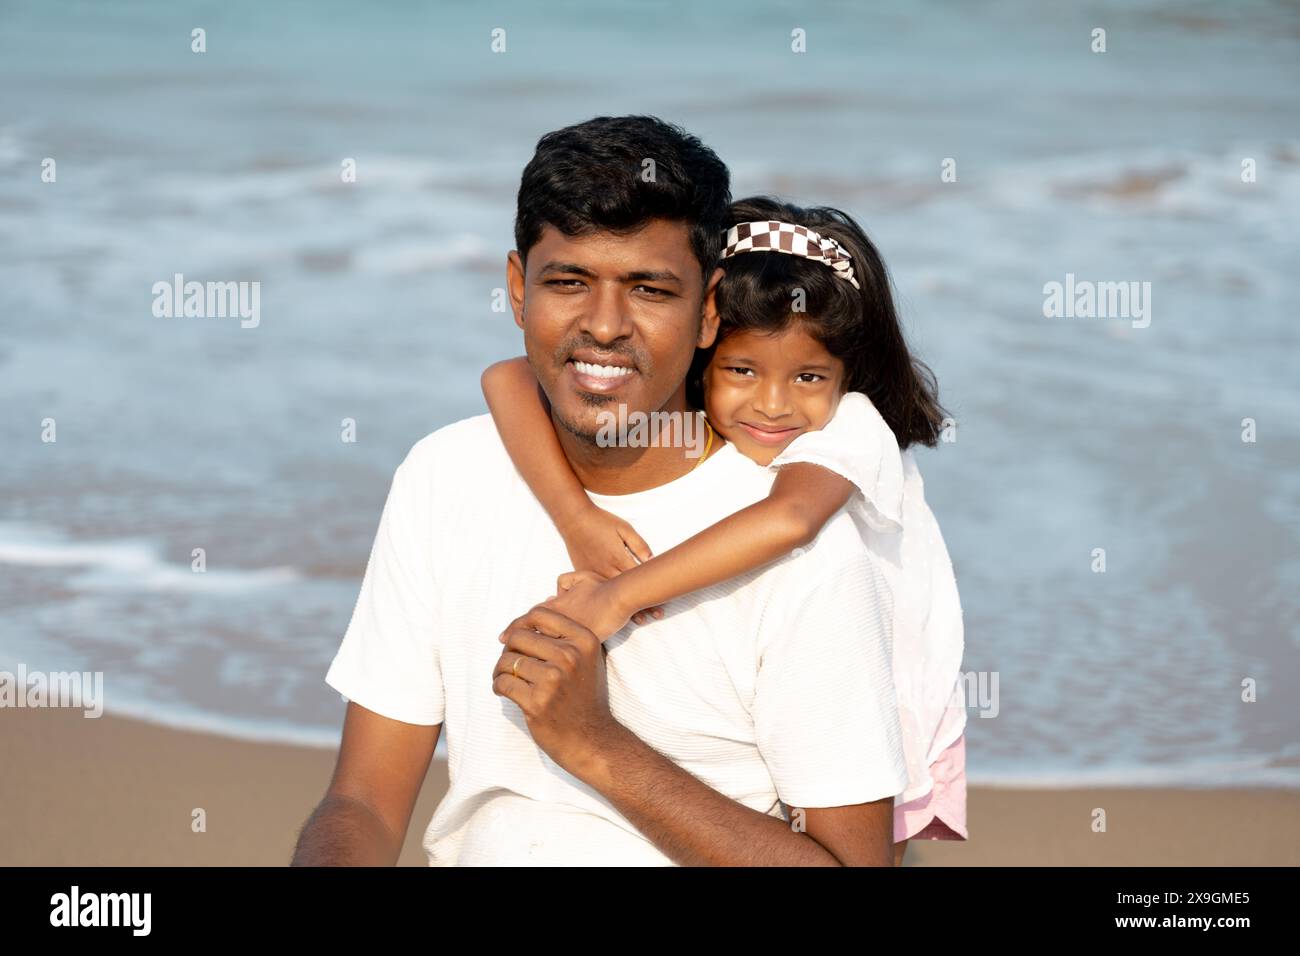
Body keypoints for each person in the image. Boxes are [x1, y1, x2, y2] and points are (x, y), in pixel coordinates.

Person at [293, 115, 907, 867]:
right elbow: (361, 802)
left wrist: (596, 744)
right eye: (569, 282)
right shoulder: (443, 475)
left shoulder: (802, 549)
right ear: (518, 289)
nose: (605, 326)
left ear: (709, 309)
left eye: (648, 288)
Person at [481, 196, 967, 866]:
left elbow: (789, 521)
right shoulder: (708, 417)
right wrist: (577, 518)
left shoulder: (851, 427)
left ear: (846, 375)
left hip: (888, 678)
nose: (773, 404)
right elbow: (506, 377)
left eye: (808, 375)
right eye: (743, 371)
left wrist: (615, 598)